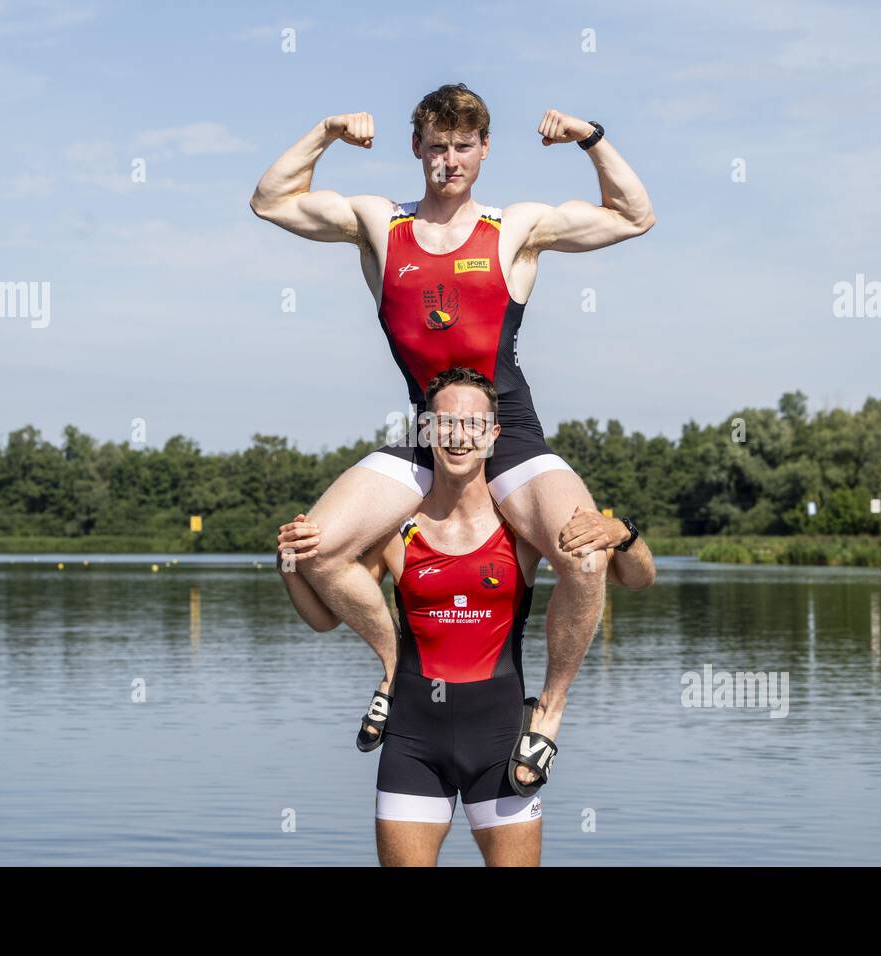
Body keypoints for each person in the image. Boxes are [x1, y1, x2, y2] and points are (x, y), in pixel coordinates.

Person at [251, 83, 655, 760]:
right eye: (437, 146)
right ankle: (393, 669)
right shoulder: (380, 223)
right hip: (427, 433)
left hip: (510, 431)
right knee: (313, 550)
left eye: (463, 146)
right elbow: (270, 201)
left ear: (484, 149)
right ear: (417, 147)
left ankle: (547, 712)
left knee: (585, 555)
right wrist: (326, 131)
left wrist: (589, 137)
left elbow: (634, 216)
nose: (449, 161)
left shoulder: (515, 227)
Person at [276, 368, 655, 866]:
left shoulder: (523, 530)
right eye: (446, 423)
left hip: (503, 744)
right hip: (412, 742)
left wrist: (623, 533)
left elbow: (637, 579)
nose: (459, 436)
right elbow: (324, 619)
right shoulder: (395, 532)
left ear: (493, 434)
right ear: (426, 430)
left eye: (473, 424)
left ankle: (550, 711)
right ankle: (391, 674)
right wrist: (290, 562)